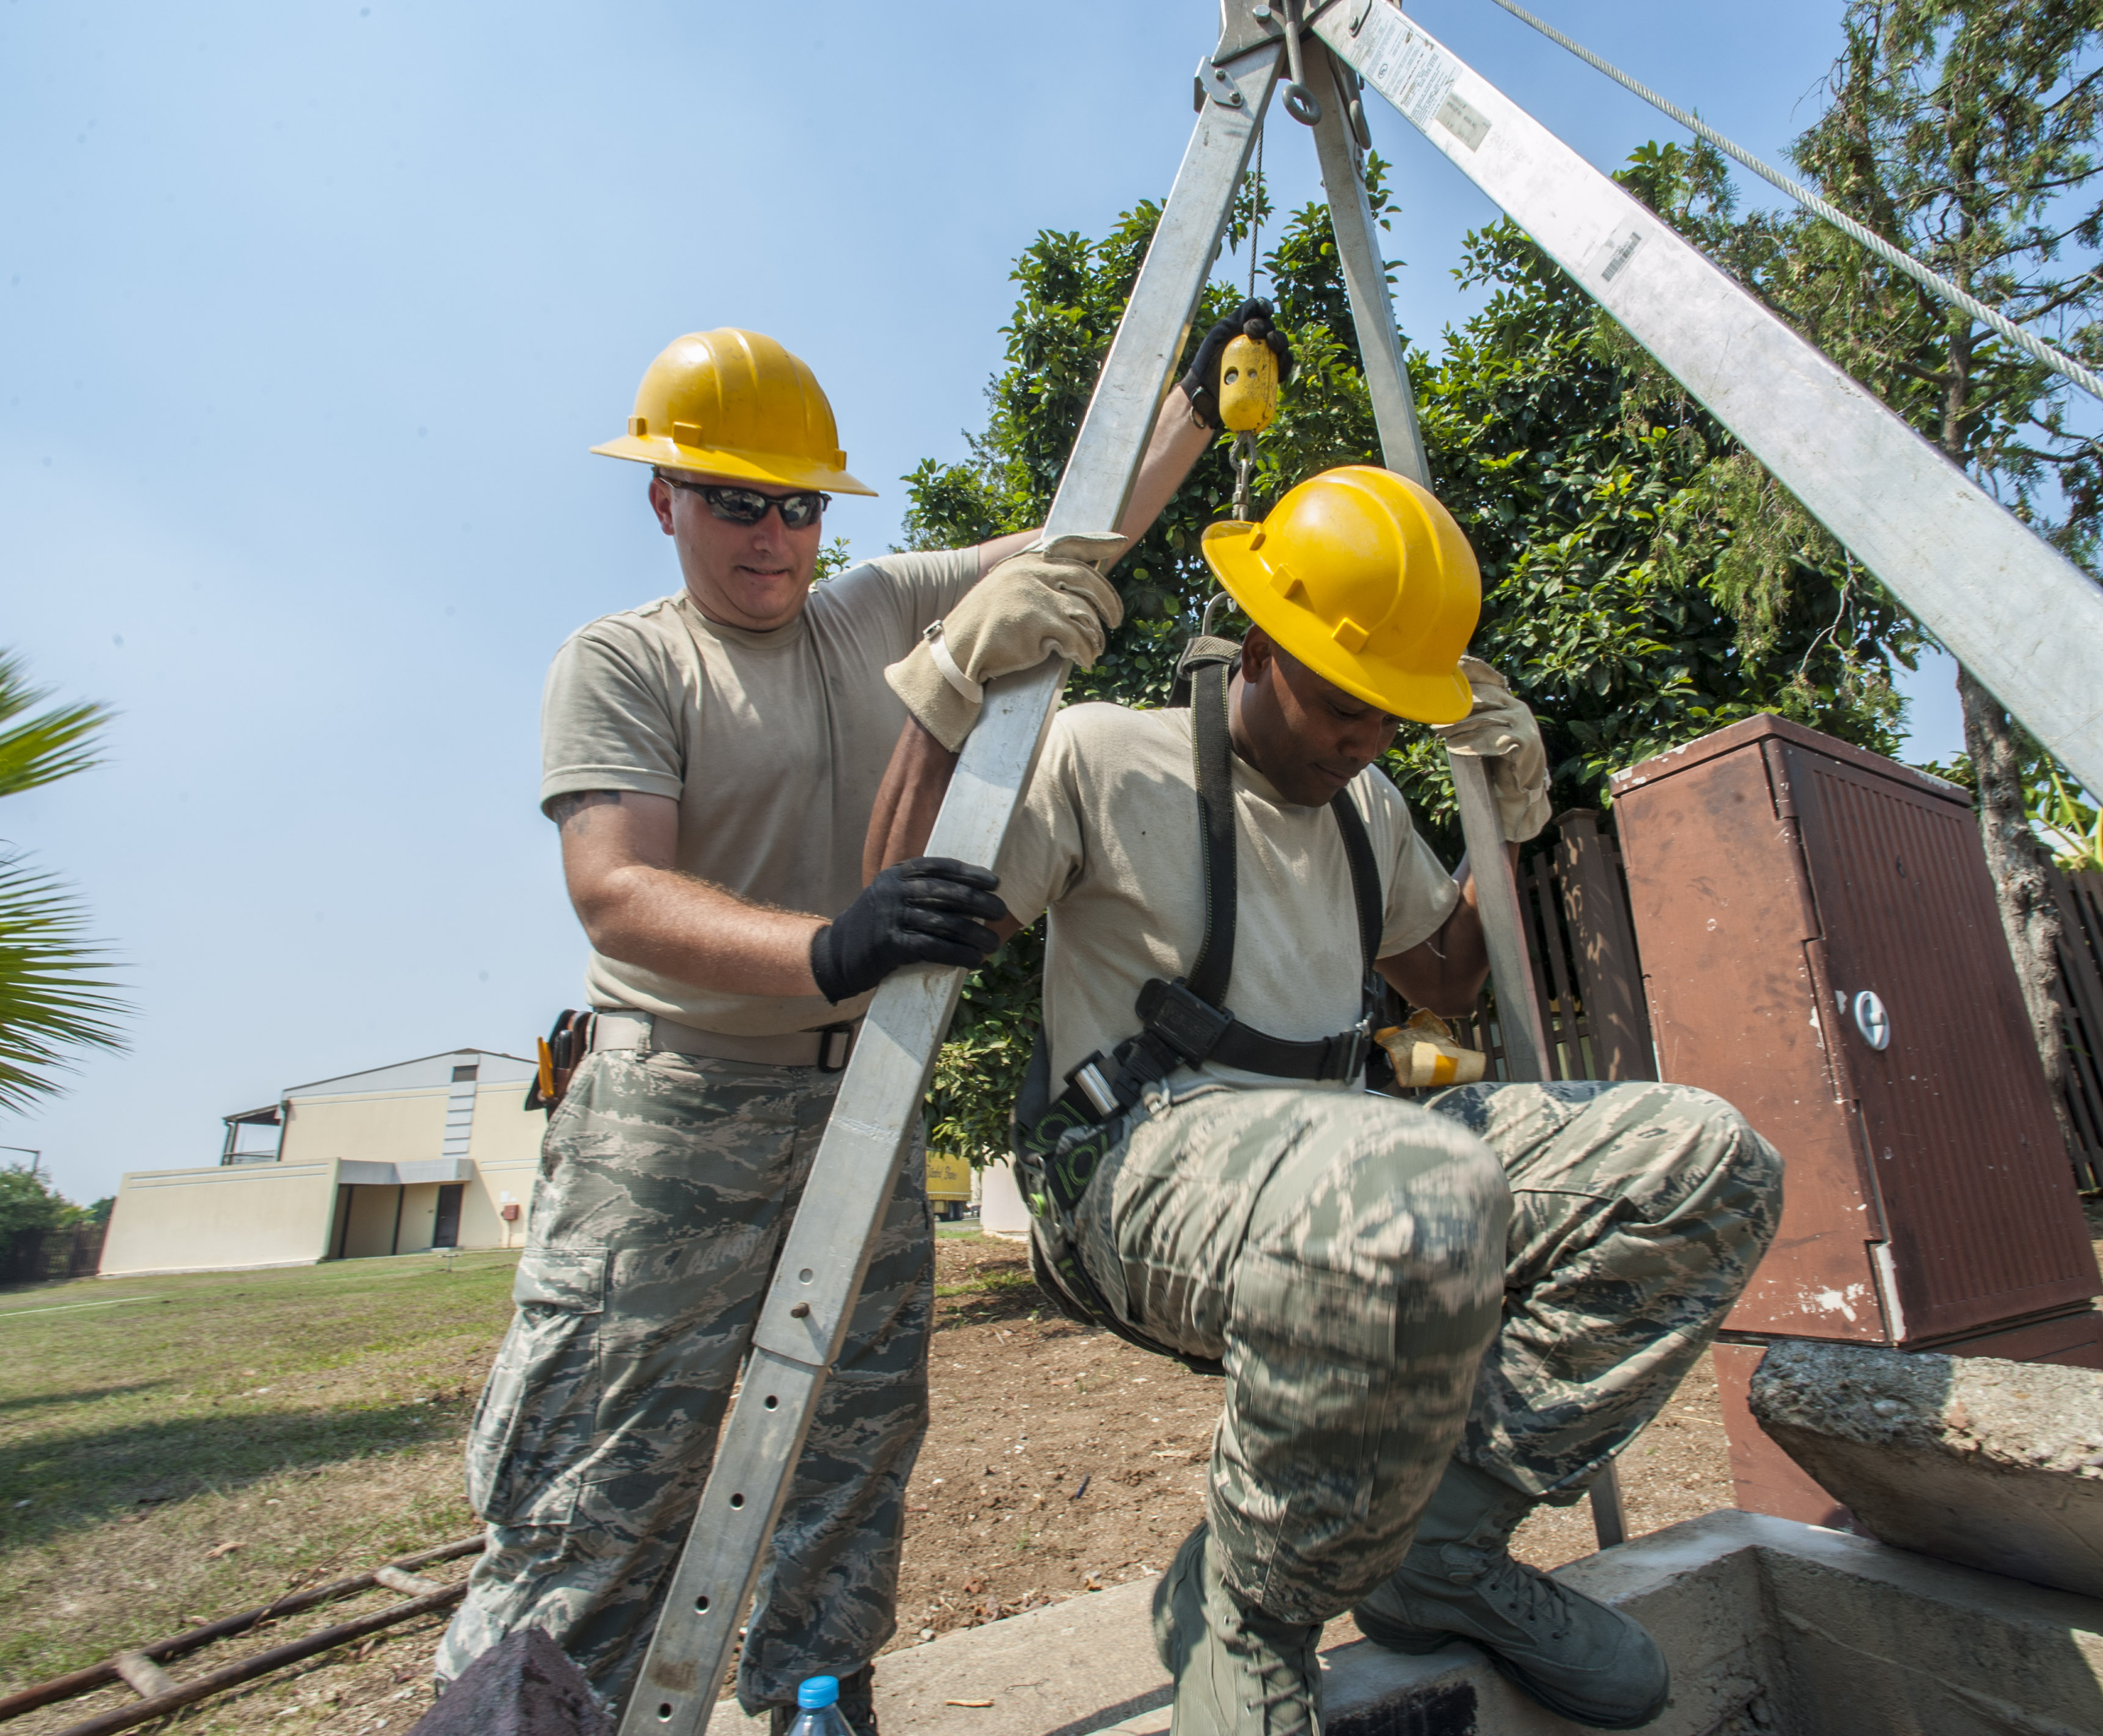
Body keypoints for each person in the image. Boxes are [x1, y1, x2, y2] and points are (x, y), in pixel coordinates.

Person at [438, 310, 1290, 1725]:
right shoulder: (626, 662)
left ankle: (819, 1701)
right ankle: (529, 1709)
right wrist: (832, 945)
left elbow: (1073, 543)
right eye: (732, 502)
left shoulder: (878, 605)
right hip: (676, 1114)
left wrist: (1191, 413)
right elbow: (619, 890)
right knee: (606, 1471)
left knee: (850, 1441)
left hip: (860, 1100)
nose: (770, 537)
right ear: (664, 500)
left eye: (795, 505)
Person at [869, 466, 1784, 1735]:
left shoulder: (1365, 802)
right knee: (1417, 1189)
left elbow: (1447, 980)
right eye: (1341, 702)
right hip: (1135, 1168)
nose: (1360, 738)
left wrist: (1499, 827)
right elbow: (900, 920)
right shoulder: (1102, 756)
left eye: (1391, 720)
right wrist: (946, 696)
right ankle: (1247, 1613)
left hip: (1362, 1161)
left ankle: (1440, 1549)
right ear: (1256, 646)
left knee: (1702, 1159)